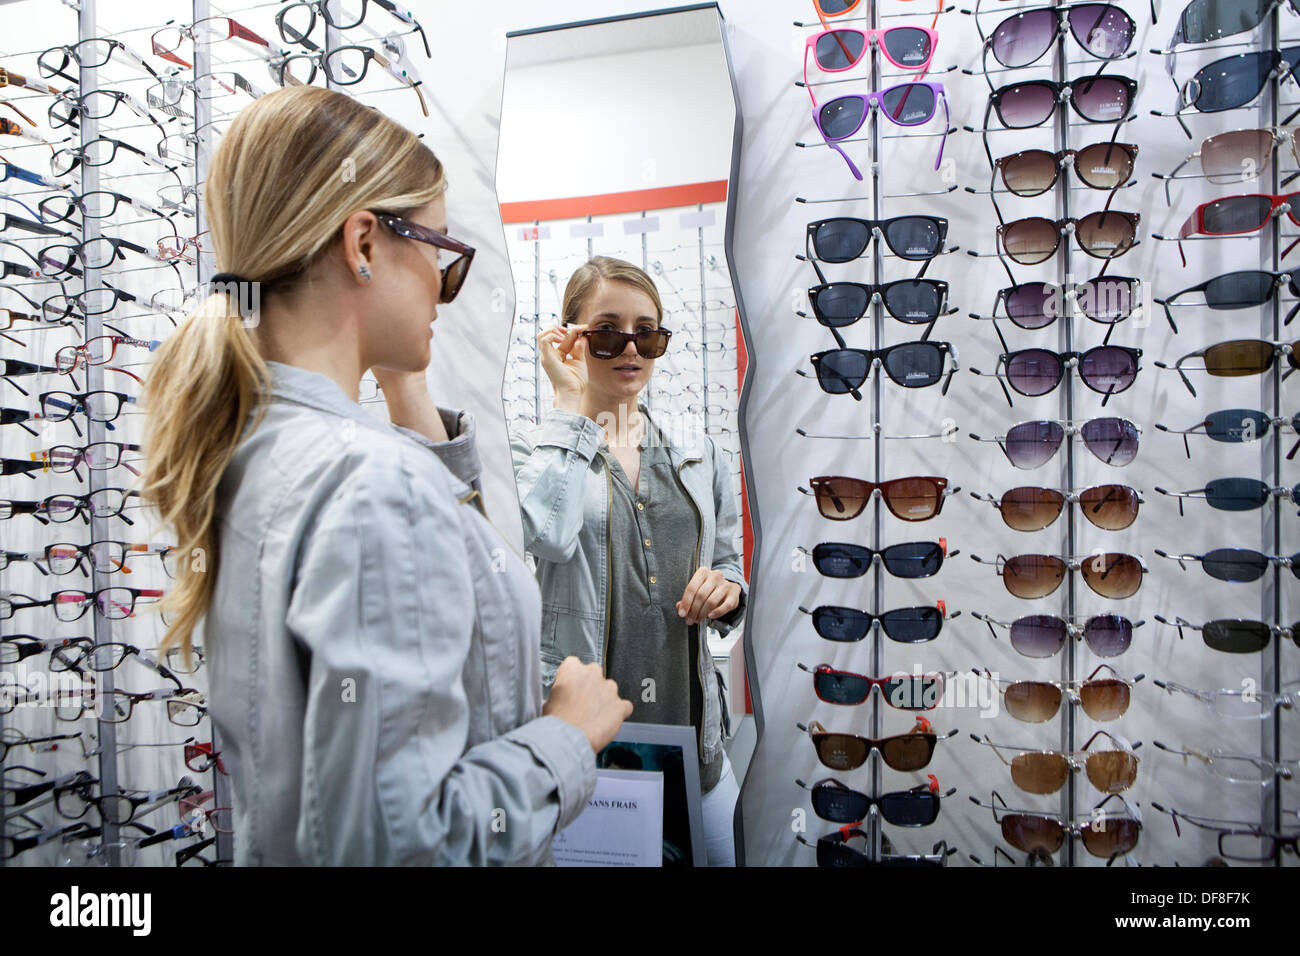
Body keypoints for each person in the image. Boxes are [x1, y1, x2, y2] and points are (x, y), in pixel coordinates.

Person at [139, 86, 631, 866]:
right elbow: (403, 845)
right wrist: (566, 738)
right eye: (435, 249)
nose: (441, 283)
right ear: (363, 243)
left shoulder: (256, 451)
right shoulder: (368, 483)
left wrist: (401, 377)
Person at [510, 256, 749, 866]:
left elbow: (729, 564)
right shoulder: (535, 452)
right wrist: (570, 409)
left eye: (648, 332)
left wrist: (728, 590)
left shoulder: (699, 454)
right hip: (589, 750)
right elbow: (544, 533)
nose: (631, 348)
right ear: (568, 338)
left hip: (695, 744)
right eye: (609, 331)